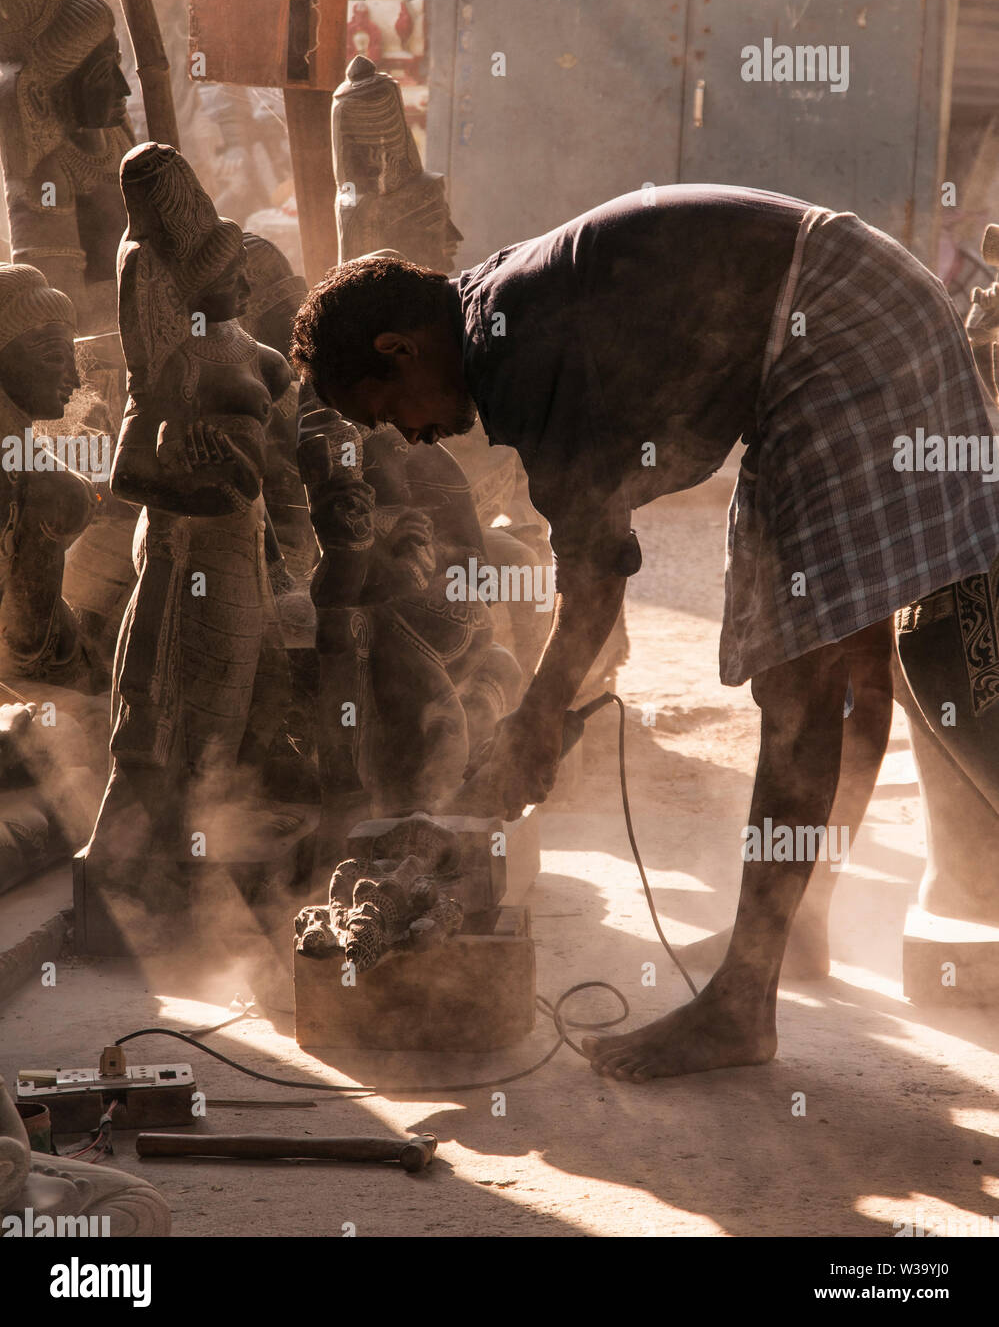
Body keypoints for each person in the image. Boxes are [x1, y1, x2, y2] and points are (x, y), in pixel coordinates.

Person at [289, 184, 999, 1081]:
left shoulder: (512, 350)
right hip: (855, 292)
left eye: (392, 411)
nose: (415, 436)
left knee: (798, 679)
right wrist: (541, 714)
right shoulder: (494, 313)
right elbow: (596, 531)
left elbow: (592, 566)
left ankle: (742, 1008)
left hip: (835, 323)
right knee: (852, 649)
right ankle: (802, 920)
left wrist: (538, 716)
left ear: (399, 348)